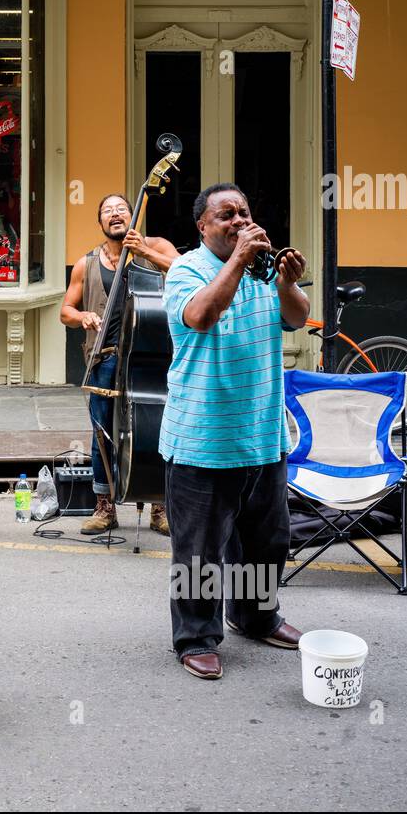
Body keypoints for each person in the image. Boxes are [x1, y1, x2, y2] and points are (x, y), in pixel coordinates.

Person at [160, 182, 309, 681]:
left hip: (262, 432)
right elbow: (201, 316)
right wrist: (239, 262)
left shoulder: (262, 270)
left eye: (244, 211)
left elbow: (298, 317)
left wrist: (287, 281)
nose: (239, 221)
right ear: (202, 226)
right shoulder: (186, 269)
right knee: (199, 551)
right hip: (202, 437)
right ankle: (196, 637)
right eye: (226, 215)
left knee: (267, 541)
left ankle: (256, 616)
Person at [61, 193, 179, 536]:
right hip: (105, 356)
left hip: (150, 355)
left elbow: (188, 270)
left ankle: (159, 506)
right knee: (102, 434)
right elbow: (64, 311)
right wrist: (82, 315)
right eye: (107, 211)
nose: (115, 215)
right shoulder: (87, 263)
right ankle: (105, 508)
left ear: (134, 216)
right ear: (100, 223)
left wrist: (145, 252)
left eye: (121, 210)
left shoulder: (155, 245)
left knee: (155, 429)